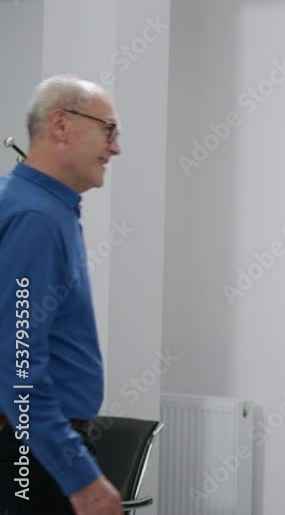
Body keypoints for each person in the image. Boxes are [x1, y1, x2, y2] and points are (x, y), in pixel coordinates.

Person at [0, 76, 123, 514]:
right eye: (108, 129)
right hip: (26, 448)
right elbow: (17, 362)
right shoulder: (36, 217)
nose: (115, 148)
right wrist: (80, 477)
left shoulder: (41, 207)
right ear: (60, 125)